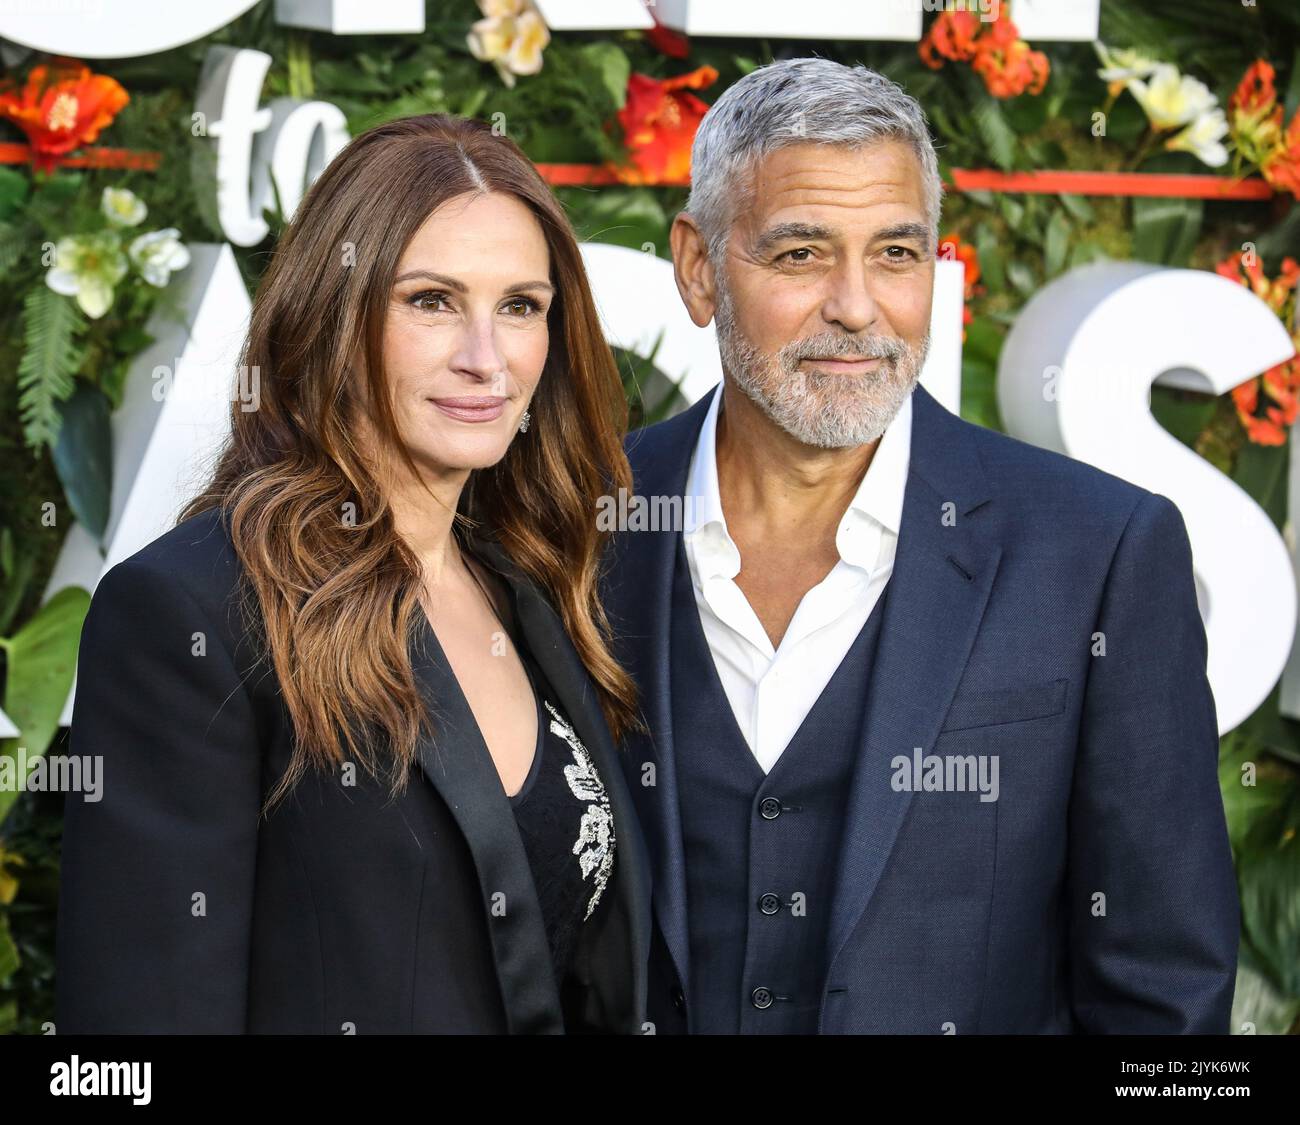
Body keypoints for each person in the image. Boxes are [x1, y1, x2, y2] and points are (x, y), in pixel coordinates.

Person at [601, 57, 1240, 1034]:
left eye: (896, 254)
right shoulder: (571, 528)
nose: (857, 307)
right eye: (801, 253)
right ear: (696, 268)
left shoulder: (1099, 554)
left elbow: (1165, 989)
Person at [55, 113, 651, 1034]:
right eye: (431, 300)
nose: (485, 358)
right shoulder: (192, 610)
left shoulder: (528, 587)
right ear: (333, 316)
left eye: (521, 306)